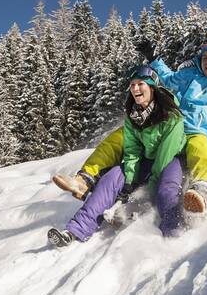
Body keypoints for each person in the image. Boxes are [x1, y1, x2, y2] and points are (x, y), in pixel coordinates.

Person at [54, 33, 207, 216]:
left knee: (200, 147)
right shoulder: (190, 76)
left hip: (194, 133)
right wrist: (153, 58)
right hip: (168, 127)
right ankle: (86, 177)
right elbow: (168, 80)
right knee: (121, 137)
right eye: (205, 57)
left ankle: (202, 189)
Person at [48, 65, 186, 246]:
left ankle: (175, 233)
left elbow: (165, 155)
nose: (135, 88)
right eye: (132, 84)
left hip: (171, 160)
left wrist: (151, 185)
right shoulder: (133, 115)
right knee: (111, 179)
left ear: (152, 87)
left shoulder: (171, 115)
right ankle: (75, 231)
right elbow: (132, 151)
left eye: (141, 84)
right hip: (145, 160)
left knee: (165, 190)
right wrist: (128, 182)